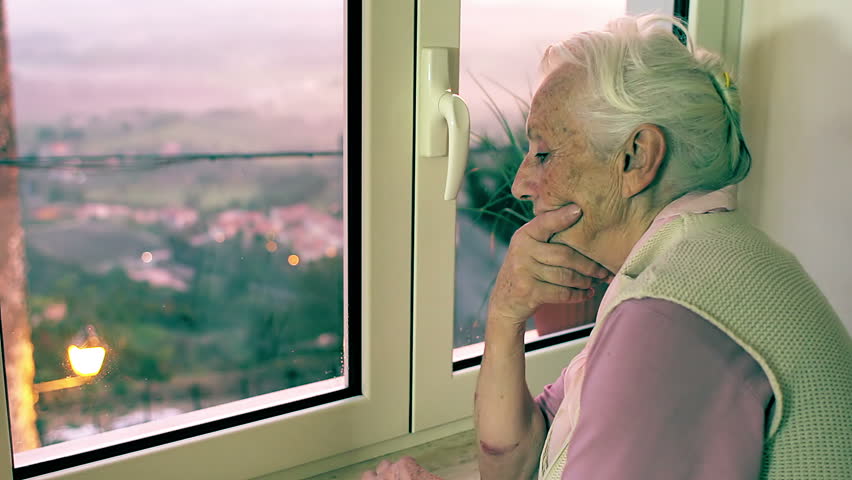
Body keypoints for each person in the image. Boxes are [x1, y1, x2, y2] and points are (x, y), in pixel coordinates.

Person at [362, 14, 852, 480]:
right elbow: (515, 466)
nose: (520, 184)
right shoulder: (699, 259)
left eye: (545, 153)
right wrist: (506, 312)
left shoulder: (668, 319)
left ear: (636, 157)